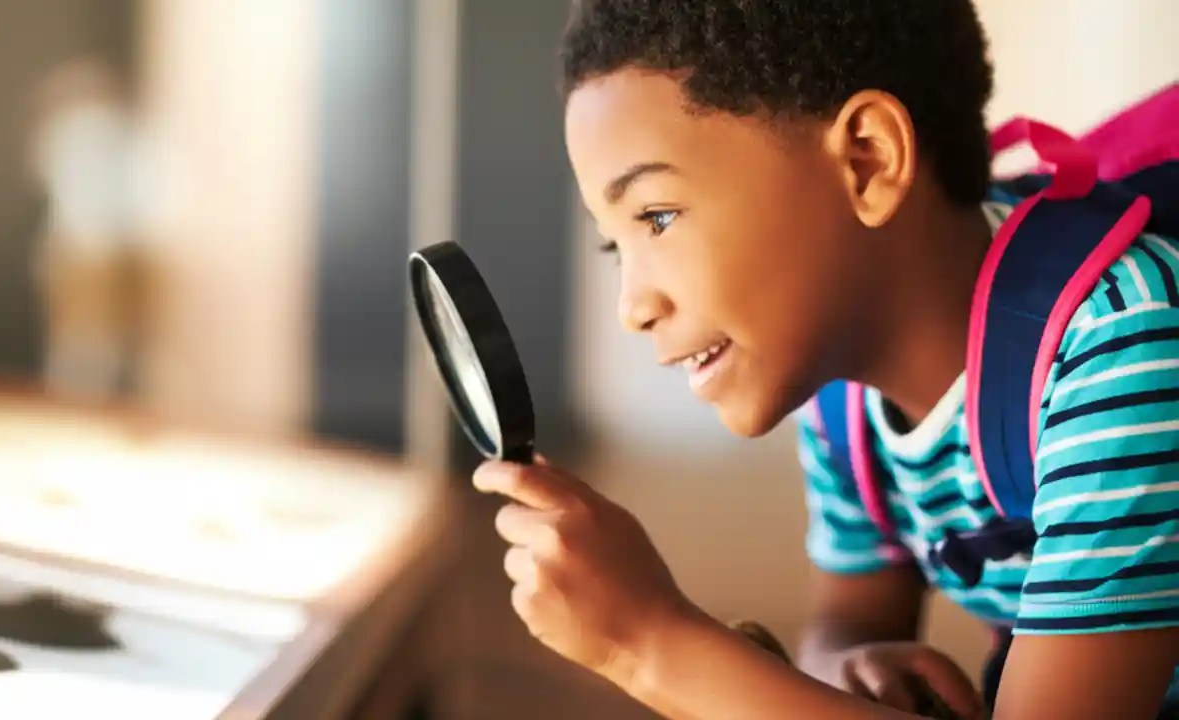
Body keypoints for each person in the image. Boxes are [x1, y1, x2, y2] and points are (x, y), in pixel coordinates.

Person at [471, 1, 1179, 718]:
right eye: (612, 242)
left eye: (656, 215)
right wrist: (847, 665)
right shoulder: (842, 395)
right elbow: (845, 627)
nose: (633, 305)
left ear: (867, 161)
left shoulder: (1118, 335)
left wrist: (650, 643)